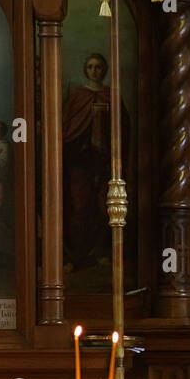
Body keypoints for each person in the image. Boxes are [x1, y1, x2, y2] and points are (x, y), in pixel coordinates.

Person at [63, 53, 128, 269]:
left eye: (98, 67)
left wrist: (106, 118)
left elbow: (124, 127)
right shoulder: (78, 95)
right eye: (90, 67)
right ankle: (75, 256)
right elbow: (66, 128)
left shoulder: (112, 95)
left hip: (105, 160)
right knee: (80, 206)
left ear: (105, 70)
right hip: (80, 160)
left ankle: (100, 251)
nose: (94, 71)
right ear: (85, 70)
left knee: (104, 206)